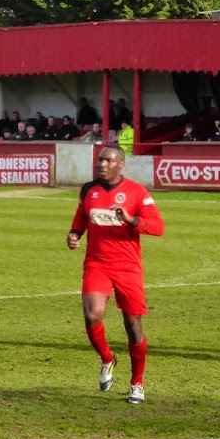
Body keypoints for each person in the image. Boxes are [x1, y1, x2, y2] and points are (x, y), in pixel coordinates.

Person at [68, 145, 165, 403]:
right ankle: (107, 358)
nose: (102, 164)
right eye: (100, 160)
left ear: (121, 164)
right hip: (97, 263)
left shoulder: (137, 192)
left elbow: (158, 227)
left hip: (128, 267)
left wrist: (131, 220)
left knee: (133, 327)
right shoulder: (88, 190)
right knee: (92, 314)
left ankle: (137, 383)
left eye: (108, 161)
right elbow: (81, 216)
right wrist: (75, 233)